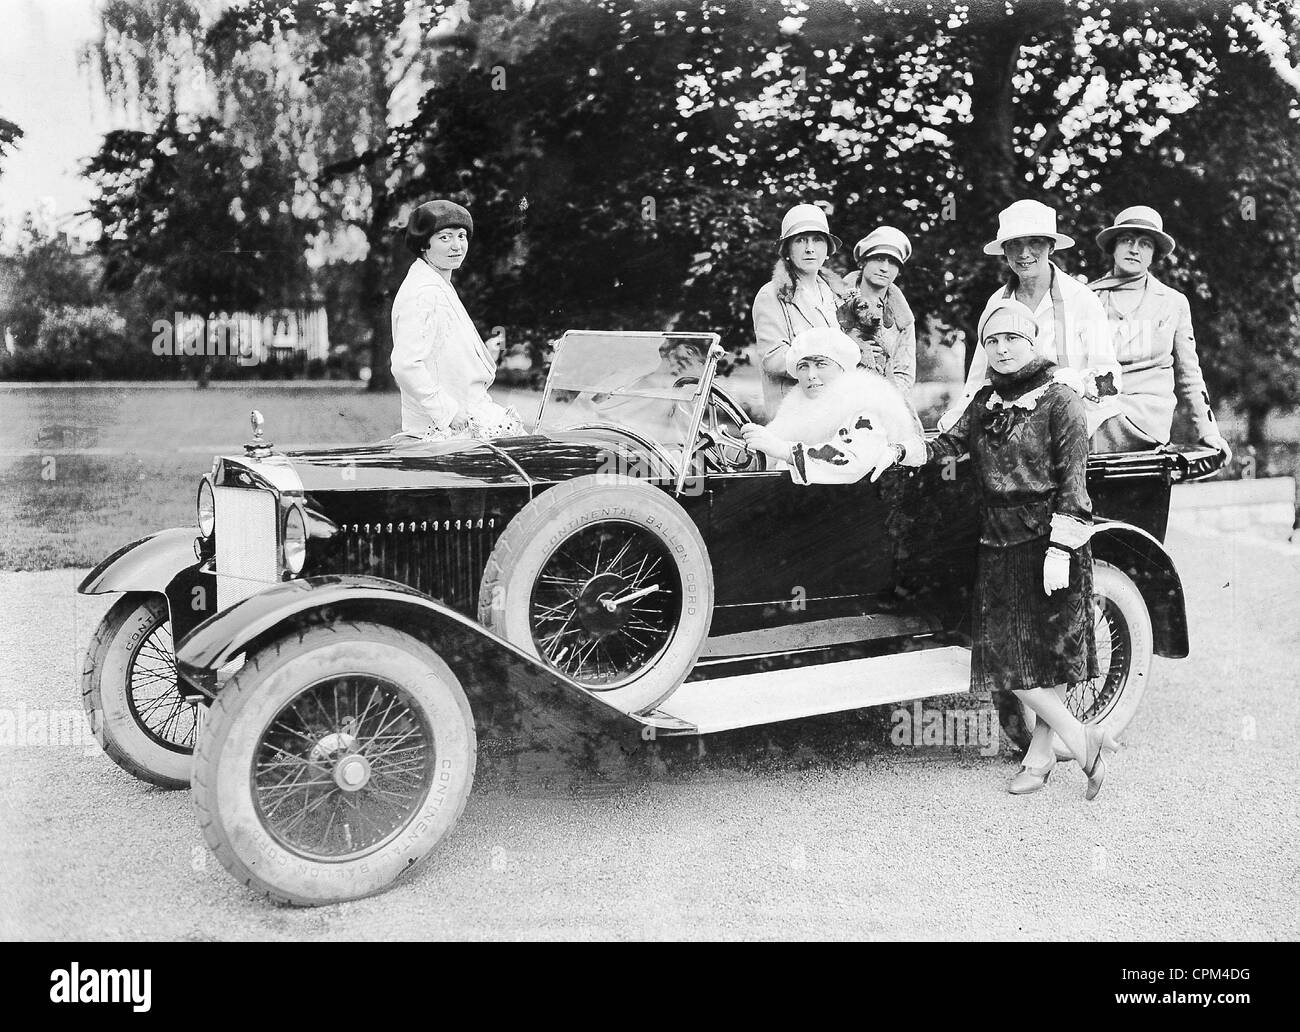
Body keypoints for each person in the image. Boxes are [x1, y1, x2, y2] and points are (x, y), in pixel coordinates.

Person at [927, 299, 1118, 799]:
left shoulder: (1061, 400)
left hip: (1050, 543)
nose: (1002, 348)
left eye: (1012, 338)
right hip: (997, 540)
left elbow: (1074, 484)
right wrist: (898, 448)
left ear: (1033, 342)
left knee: (1044, 657)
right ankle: (1079, 737)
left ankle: (1046, 754)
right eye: (992, 340)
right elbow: (947, 446)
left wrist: (1060, 548)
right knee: (1005, 659)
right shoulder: (986, 400)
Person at [938, 199, 1122, 439]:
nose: (1024, 254)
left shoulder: (1080, 299)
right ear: (1004, 250)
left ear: (1051, 246)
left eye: (1034, 242)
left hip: (1070, 429)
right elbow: (978, 380)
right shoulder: (997, 304)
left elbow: (1109, 377)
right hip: (1008, 432)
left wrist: (1078, 385)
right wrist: (958, 420)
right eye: (1014, 244)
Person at [1087, 206, 1232, 459]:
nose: (1134, 249)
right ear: (1113, 247)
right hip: (1096, 416)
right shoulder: (1088, 298)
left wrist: (1207, 430)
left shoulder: (1172, 303)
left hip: (1147, 422)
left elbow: (1189, 373)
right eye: (1126, 240)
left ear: (1154, 255)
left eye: (1145, 244)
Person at [390, 198, 523, 440]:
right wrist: (448, 412)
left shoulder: (437, 283)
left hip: (469, 416)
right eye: (445, 237)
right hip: (448, 429)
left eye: (461, 236)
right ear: (424, 244)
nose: (457, 246)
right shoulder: (424, 292)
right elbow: (405, 364)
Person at [740, 327, 924, 484]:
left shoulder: (865, 402)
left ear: (841, 367)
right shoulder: (795, 408)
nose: (811, 374)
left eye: (821, 364)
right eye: (803, 366)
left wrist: (786, 451)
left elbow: (854, 461)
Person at [752, 203, 849, 414]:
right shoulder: (771, 295)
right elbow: (773, 358)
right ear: (787, 249)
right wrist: (828, 361)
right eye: (800, 240)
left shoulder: (837, 294)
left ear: (827, 249)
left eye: (817, 240)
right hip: (796, 410)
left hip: (838, 405)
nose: (810, 248)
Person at [841, 226, 918, 396]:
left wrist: (881, 401)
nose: (885, 268)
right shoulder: (833, 301)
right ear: (862, 262)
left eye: (893, 262)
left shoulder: (903, 319)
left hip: (885, 401)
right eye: (878, 259)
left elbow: (904, 376)